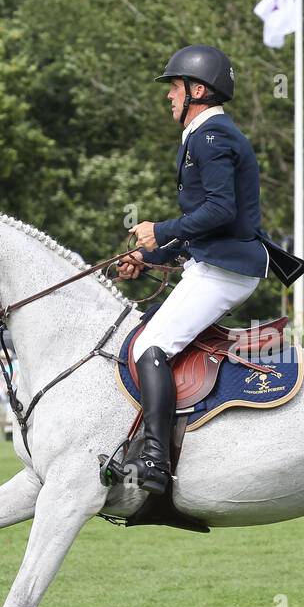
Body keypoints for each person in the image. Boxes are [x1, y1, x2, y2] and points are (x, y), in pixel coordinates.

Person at [115, 45, 270, 496]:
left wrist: (158, 229)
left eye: (174, 88)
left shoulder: (211, 137)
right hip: (215, 263)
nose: (169, 97)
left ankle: (156, 460)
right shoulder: (203, 136)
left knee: (151, 347)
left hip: (225, 270)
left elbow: (220, 210)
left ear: (197, 90)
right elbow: (206, 222)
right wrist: (151, 257)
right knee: (148, 337)